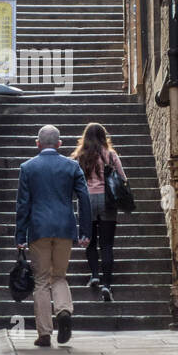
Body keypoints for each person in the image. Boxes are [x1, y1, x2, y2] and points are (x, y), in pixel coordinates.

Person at [15, 124, 91, 347]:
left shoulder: (28, 168)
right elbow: (84, 198)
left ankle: (44, 333)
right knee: (59, 275)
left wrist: (20, 235)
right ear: (59, 144)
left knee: (40, 280)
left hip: (38, 229)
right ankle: (64, 311)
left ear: (37, 144)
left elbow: (23, 205)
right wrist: (84, 231)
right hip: (65, 229)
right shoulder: (71, 166)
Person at [71, 122, 126, 302]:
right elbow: (123, 178)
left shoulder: (79, 157)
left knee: (90, 241)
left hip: (86, 200)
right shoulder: (110, 155)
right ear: (104, 137)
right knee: (107, 244)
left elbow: (71, 179)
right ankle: (107, 285)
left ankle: (95, 274)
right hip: (107, 201)